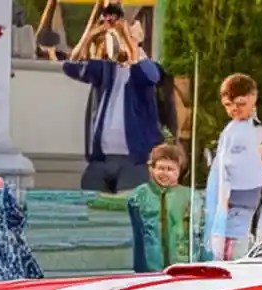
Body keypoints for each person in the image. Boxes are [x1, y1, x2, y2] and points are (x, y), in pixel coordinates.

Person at [61, 27, 163, 193]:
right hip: (101, 159)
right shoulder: (106, 70)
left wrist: (133, 44)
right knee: (91, 200)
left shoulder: (145, 69)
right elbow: (70, 66)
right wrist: (91, 33)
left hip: (135, 160)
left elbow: (152, 76)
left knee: (127, 204)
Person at [207, 73, 262, 261]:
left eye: (240, 104)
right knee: (234, 245)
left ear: (253, 97)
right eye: (228, 105)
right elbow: (241, 157)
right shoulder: (234, 130)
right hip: (236, 198)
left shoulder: (249, 125)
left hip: (248, 196)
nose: (234, 109)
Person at [127, 143, 191, 272]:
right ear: (151, 169)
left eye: (170, 169)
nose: (165, 173)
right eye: (161, 168)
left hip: (180, 264)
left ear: (180, 171)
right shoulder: (139, 196)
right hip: (147, 266)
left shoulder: (189, 196)